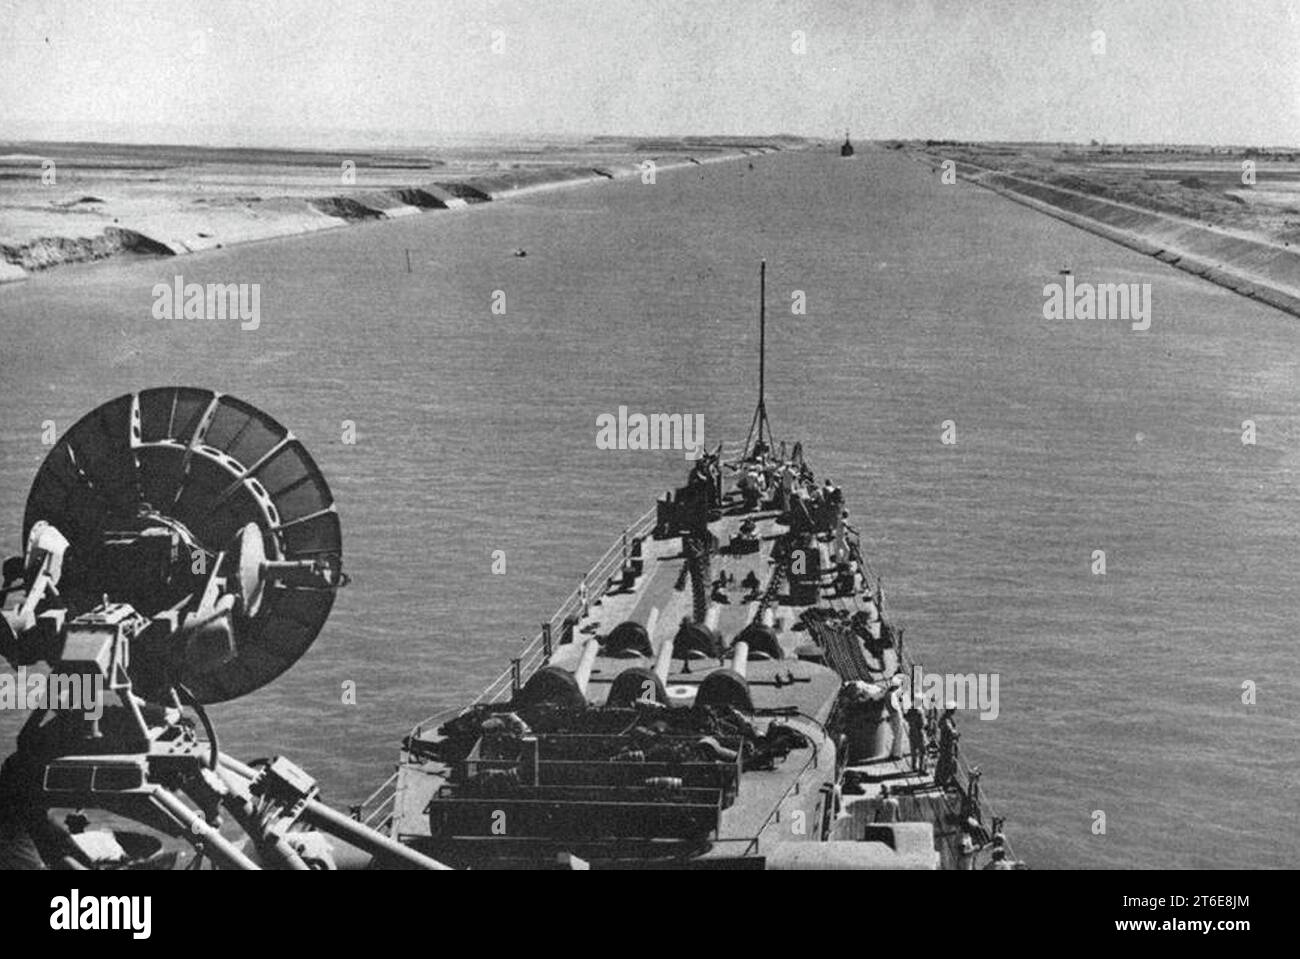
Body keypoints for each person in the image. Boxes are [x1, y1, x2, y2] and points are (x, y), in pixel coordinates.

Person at [935, 701, 960, 785]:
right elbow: (951, 732)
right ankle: (944, 780)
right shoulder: (947, 721)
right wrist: (957, 734)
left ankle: (938, 778)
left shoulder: (943, 718)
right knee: (947, 761)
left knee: (942, 760)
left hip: (943, 742)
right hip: (947, 744)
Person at [905, 700, 928, 773]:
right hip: (919, 732)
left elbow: (906, 718)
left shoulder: (910, 710)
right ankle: (922, 768)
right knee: (923, 751)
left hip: (912, 731)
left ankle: (913, 766)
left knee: (913, 751)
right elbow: (923, 723)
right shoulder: (920, 711)